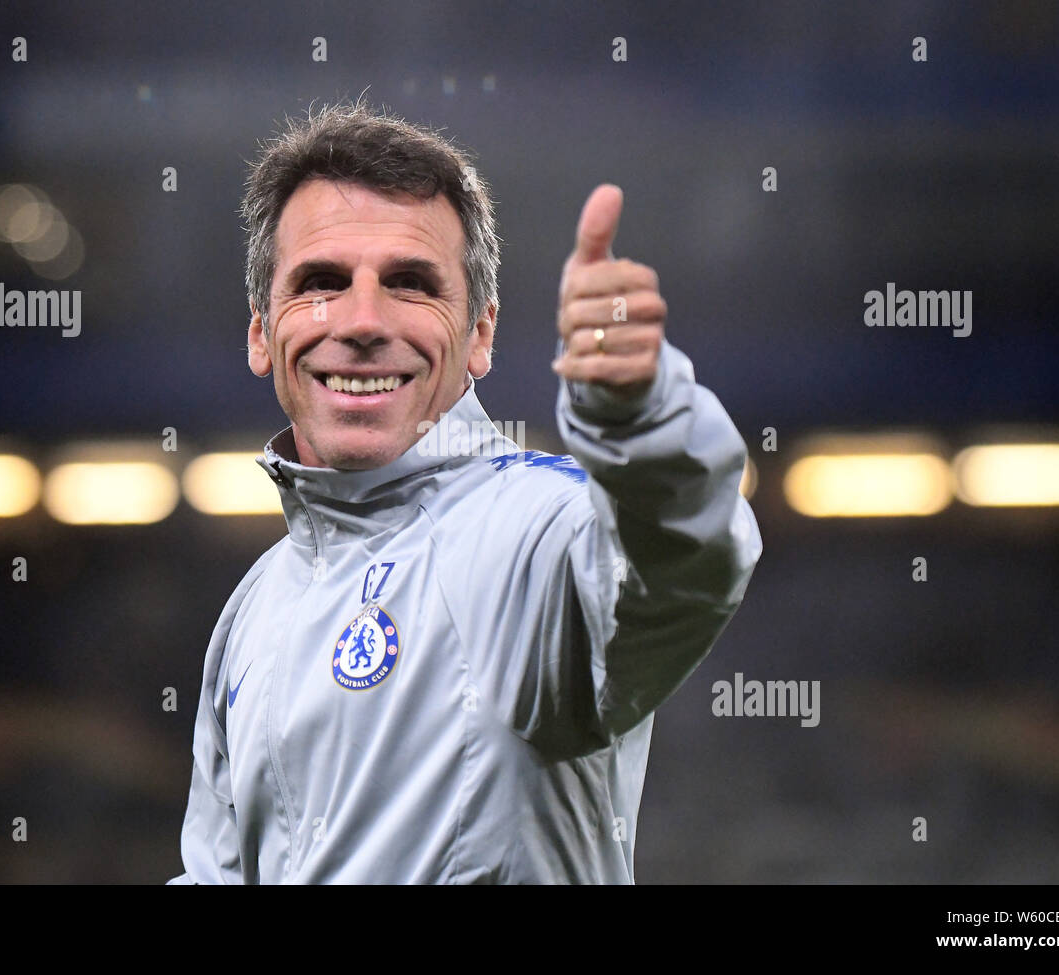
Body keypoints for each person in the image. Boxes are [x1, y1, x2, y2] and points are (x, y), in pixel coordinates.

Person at [169, 98, 761, 884]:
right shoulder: (251, 610)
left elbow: (685, 564)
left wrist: (641, 419)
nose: (363, 319)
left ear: (480, 332)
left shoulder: (533, 529)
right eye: (321, 281)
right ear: (260, 330)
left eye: (411, 283)